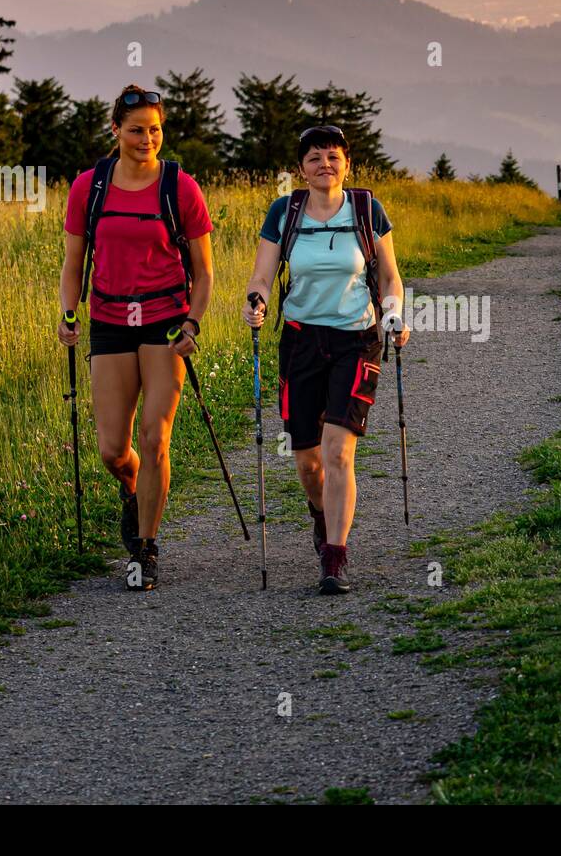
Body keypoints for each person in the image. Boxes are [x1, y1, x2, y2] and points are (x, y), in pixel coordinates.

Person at [58, 85, 214, 591]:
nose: (147, 138)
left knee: (156, 435)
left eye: (154, 129)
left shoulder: (180, 187)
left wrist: (192, 322)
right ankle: (132, 489)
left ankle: (144, 549)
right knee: (112, 449)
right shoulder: (90, 187)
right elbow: (73, 260)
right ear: (115, 132)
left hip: (165, 321)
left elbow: (204, 271)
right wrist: (68, 311)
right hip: (107, 318)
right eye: (136, 130)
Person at [242, 125, 409, 595]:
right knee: (307, 461)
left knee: (339, 451)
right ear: (301, 169)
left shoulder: (366, 211)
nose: (325, 165)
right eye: (314, 158)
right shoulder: (285, 211)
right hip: (300, 342)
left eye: (333, 157)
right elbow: (262, 275)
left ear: (347, 164)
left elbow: (390, 278)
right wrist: (255, 301)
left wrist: (393, 314)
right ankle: (321, 515)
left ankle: (334, 557)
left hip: (356, 341)